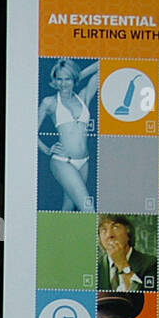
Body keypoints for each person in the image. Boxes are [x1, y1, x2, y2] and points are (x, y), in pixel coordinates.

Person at [37, 59, 98, 211]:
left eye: (67, 79)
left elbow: (104, 66)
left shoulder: (84, 97)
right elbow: (28, 131)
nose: (63, 84)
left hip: (84, 161)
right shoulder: (50, 103)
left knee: (68, 208)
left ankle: (59, 235)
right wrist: (46, 150)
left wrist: (77, 76)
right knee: (88, 209)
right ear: (54, 81)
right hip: (62, 161)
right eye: (59, 79)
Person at [97, 214, 156, 291]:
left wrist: (122, 264)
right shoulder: (96, 266)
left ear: (128, 233)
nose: (109, 235)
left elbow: (144, 299)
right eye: (103, 230)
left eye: (115, 227)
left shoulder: (151, 264)